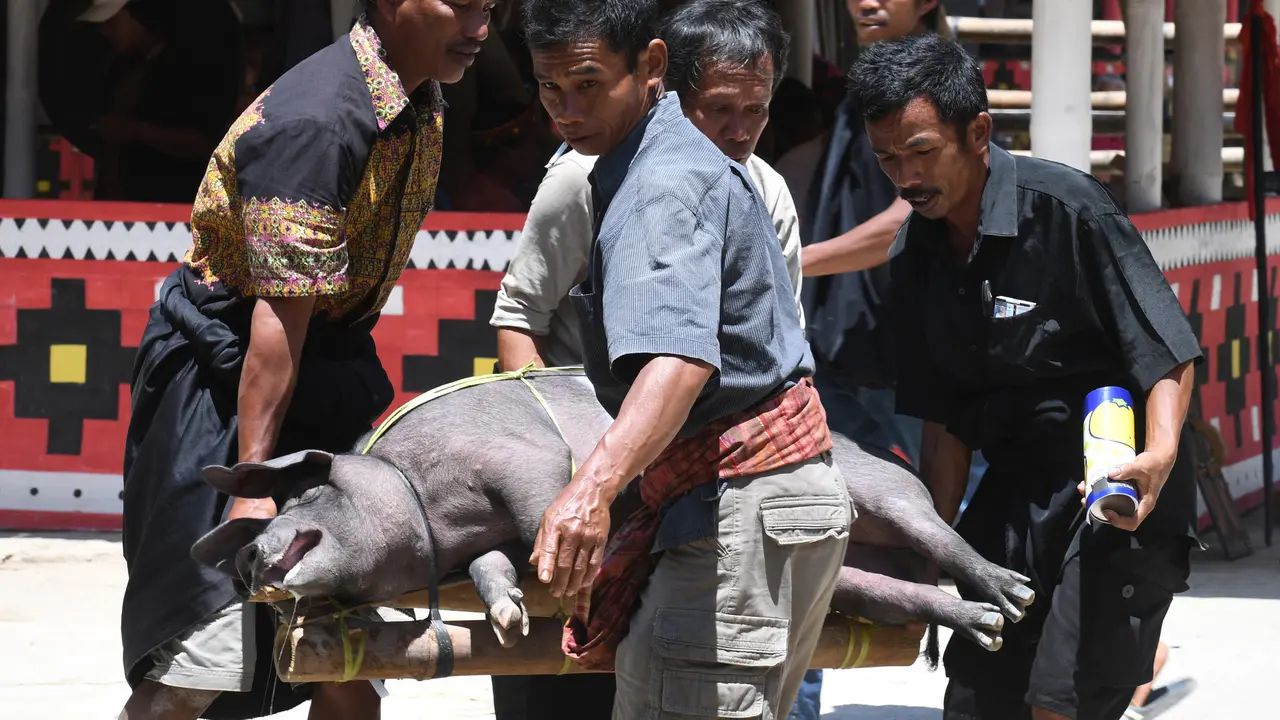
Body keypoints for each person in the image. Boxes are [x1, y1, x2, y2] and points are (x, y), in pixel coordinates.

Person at [117, 2, 490, 719]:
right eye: (461, 4)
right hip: (228, 402)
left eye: (489, 7)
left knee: (348, 660)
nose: (479, 28)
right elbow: (277, 321)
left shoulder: (421, 104)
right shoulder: (317, 121)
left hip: (320, 381)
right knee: (197, 667)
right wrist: (253, 483)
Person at [851, 34, 1203, 720]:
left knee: (1060, 702)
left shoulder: (1069, 209)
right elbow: (945, 424)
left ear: (978, 132)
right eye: (887, 158)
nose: (906, 175)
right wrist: (932, 550)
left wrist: (1159, 457)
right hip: (1013, 494)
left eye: (921, 151)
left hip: (1114, 482)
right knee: (978, 699)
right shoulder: (913, 257)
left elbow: (1165, 348)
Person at [518, 1, 852, 718]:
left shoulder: (664, 182)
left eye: (588, 84)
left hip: (736, 504)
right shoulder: (658, 166)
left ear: (652, 67)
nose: (567, 111)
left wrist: (591, 489)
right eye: (551, 88)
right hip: (762, 503)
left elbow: (680, 359)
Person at [491, 0, 805, 373]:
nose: (739, 133)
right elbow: (521, 314)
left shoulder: (767, 190)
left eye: (756, 110)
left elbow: (785, 338)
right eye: (719, 109)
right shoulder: (581, 179)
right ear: (669, 92)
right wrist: (551, 409)